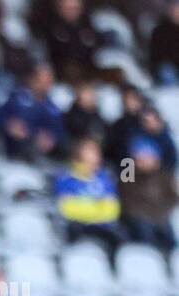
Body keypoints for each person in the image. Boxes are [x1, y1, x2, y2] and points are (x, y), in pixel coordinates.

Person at [119, 109, 179, 251]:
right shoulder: (128, 171)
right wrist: (148, 214)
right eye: (141, 156)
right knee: (145, 231)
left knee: (169, 239)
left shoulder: (165, 175)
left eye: (148, 156)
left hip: (160, 217)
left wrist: (159, 213)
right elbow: (126, 200)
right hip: (139, 219)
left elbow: (172, 198)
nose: (145, 160)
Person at [54, 137, 123, 255]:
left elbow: (112, 209)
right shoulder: (66, 178)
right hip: (77, 226)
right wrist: (96, 207)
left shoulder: (105, 178)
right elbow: (67, 209)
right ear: (79, 153)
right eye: (91, 150)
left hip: (102, 226)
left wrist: (85, 205)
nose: (96, 154)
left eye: (96, 151)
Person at [0, 63, 65, 161]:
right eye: (41, 79)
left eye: (48, 80)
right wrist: (8, 124)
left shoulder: (52, 108)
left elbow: (58, 132)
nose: (45, 84)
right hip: (11, 149)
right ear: (31, 79)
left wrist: (51, 138)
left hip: (40, 154)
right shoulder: (15, 98)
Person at [150, 0, 179, 85]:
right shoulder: (160, 31)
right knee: (166, 70)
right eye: (175, 9)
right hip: (168, 71)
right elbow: (156, 56)